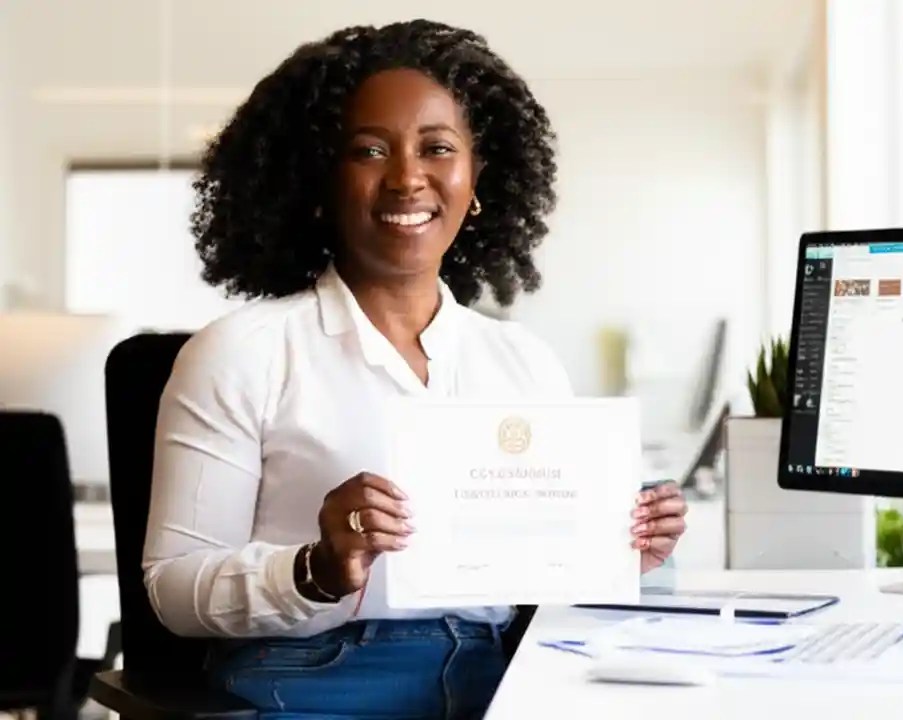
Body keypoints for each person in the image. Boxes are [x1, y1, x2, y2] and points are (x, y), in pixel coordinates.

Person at [142, 19, 688, 719]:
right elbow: (174, 589)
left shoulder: (523, 362)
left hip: (508, 671)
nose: (406, 177)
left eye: (437, 148)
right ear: (319, 181)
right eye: (369, 150)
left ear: (476, 178)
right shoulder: (242, 351)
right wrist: (315, 567)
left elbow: (542, 583)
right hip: (317, 676)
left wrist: (618, 553)